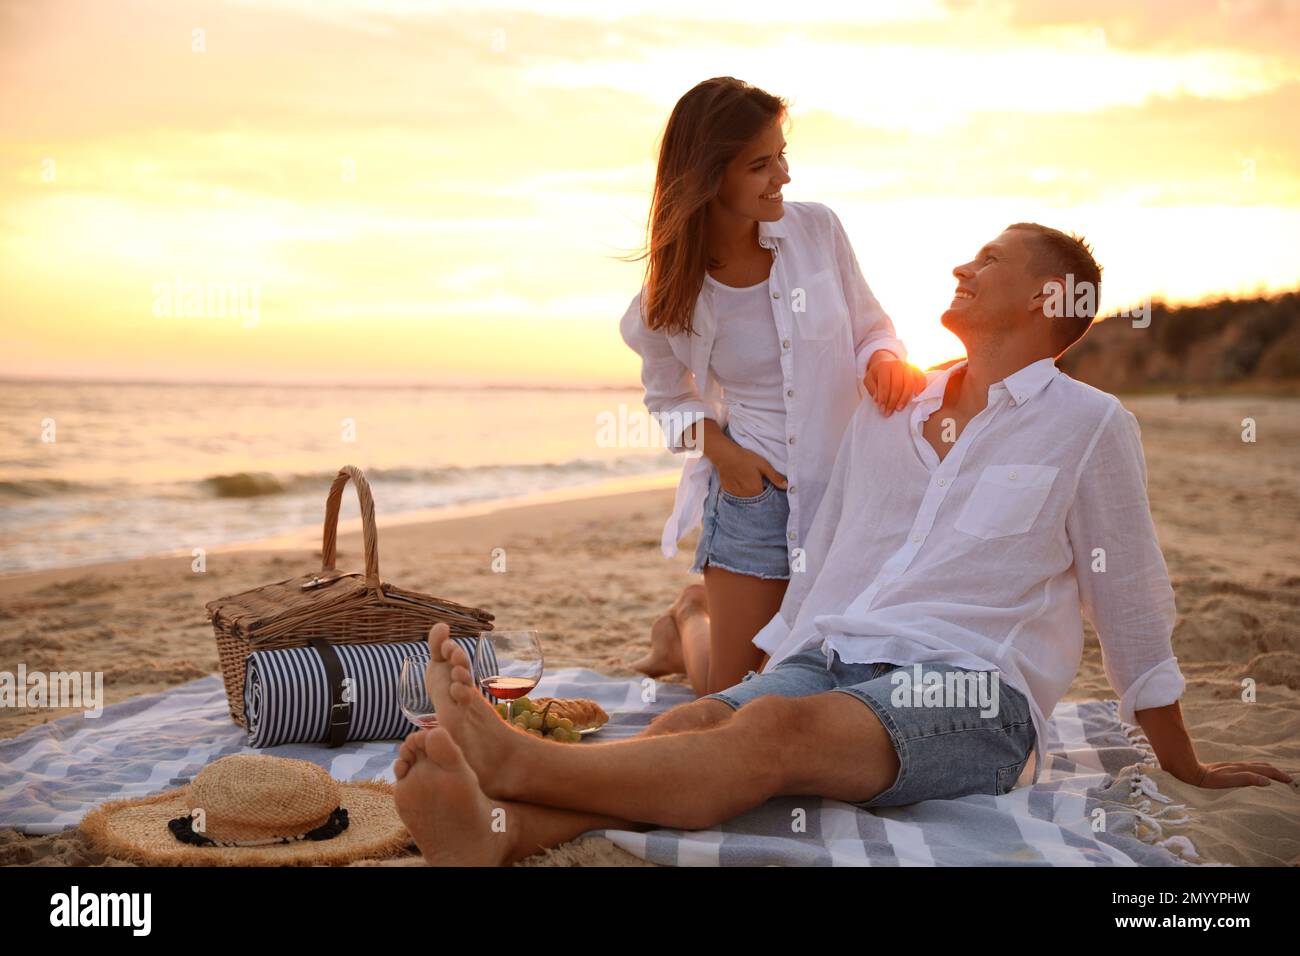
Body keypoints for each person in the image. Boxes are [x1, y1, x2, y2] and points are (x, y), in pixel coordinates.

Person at [393, 223, 1293, 866]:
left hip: (972, 686)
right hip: (844, 650)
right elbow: (808, 406)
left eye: (989, 258)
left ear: (1044, 299)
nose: (961, 264)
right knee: (698, 720)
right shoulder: (896, 405)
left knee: (772, 729)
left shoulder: (1090, 425)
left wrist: (1184, 761)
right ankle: (499, 830)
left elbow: (1130, 595)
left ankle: (514, 761)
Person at [620, 76, 924, 695]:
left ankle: (692, 613)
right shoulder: (670, 296)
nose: (782, 175)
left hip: (851, 497)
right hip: (755, 498)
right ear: (710, 176)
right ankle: (688, 621)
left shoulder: (819, 232)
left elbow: (873, 328)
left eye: (781, 155)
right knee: (730, 699)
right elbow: (669, 396)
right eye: (761, 164)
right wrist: (727, 458)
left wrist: (885, 359)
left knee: (823, 684)